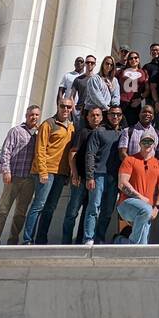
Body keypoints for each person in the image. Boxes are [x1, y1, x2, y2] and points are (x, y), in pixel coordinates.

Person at [23, 98, 77, 244]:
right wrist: (42, 171)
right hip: (46, 171)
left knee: (50, 208)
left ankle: (41, 239)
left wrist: (68, 173)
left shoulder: (72, 127)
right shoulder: (48, 124)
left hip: (61, 173)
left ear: (72, 108)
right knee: (38, 205)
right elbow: (40, 149)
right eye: (63, 106)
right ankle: (27, 239)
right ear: (58, 106)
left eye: (68, 107)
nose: (65, 109)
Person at [0, 104, 40, 245]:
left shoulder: (39, 134)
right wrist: (6, 171)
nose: (34, 117)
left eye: (37, 115)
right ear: (26, 115)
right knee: (3, 210)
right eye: (32, 114)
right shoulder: (16, 131)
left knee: (20, 213)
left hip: (29, 179)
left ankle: (13, 240)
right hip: (14, 176)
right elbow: (6, 151)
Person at [56, 105, 103, 244]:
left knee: (88, 213)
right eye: (92, 115)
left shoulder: (102, 133)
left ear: (101, 117)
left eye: (97, 115)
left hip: (95, 181)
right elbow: (72, 153)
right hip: (80, 178)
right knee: (72, 212)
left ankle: (82, 241)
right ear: (87, 118)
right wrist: (74, 174)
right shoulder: (82, 132)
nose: (95, 117)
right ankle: (66, 242)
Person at [82, 106, 125, 245]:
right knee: (94, 207)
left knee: (107, 211)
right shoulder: (99, 131)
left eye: (118, 114)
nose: (115, 117)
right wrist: (90, 176)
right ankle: (88, 237)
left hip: (114, 177)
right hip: (99, 175)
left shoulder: (123, 134)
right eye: (113, 114)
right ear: (108, 115)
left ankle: (99, 237)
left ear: (121, 116)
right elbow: (90, 154)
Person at [116, 133, 159, 244]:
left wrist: (156, 208)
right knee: (146, 209)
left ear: (154, 145)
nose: (147, 144)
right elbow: (122, 184)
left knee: (142, 247)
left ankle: (120, 241)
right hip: (127, 203)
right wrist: (140, 197)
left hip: (147, 209)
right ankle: (129, 241)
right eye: (144, 141)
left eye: (150, 141)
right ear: (139, 144)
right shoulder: (130, 160)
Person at [118, 50, 149, 126]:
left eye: (136, 57)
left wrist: (140, 99)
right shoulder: (121, 72)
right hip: (121, 102)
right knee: (120, 126)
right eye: (131, 58)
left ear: (139, 59)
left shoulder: (144, 72)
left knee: (133, 127)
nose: (133, 60)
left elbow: (148, 90)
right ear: (128, 60)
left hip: (135, 103)